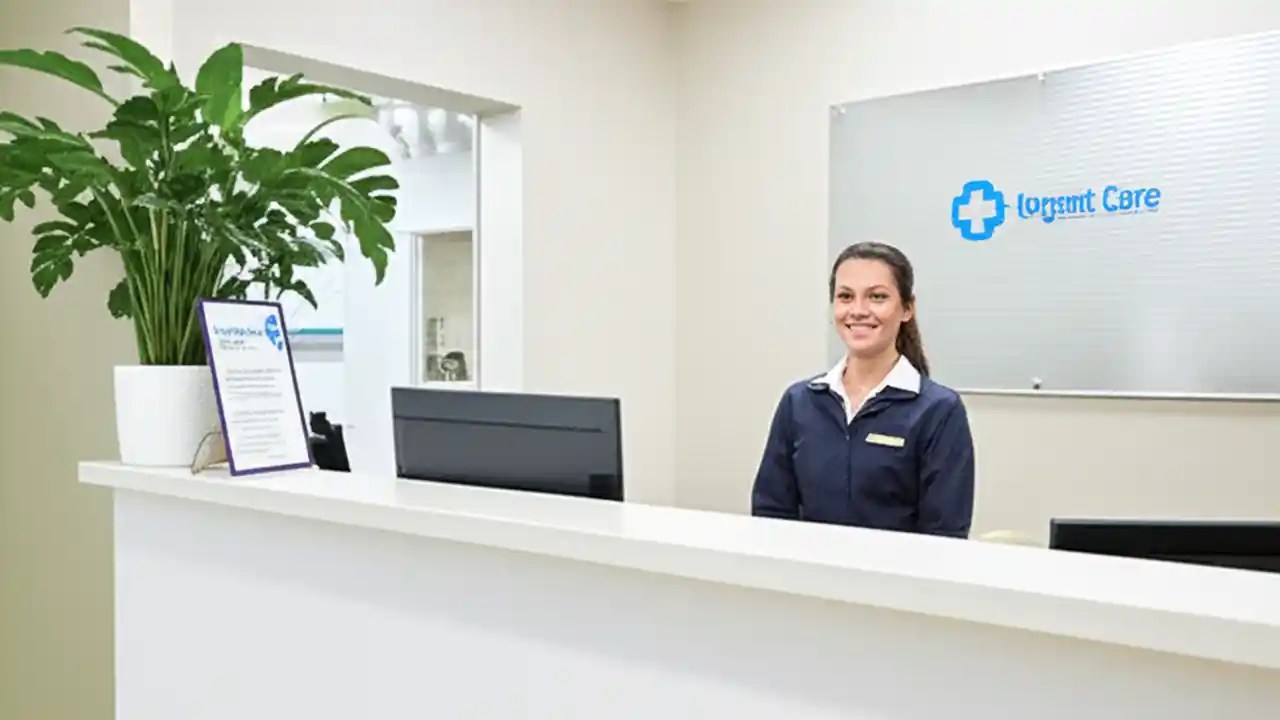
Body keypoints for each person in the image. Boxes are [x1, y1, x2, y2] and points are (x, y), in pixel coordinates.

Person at [750, 241, 975, 537]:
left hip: (897, 581)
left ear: (907, 308)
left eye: (877, 297)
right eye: (845, 296)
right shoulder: (799, 402)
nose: (858, 311)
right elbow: (771, 513)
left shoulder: (938, 411)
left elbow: (944, 532)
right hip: (807, 579)